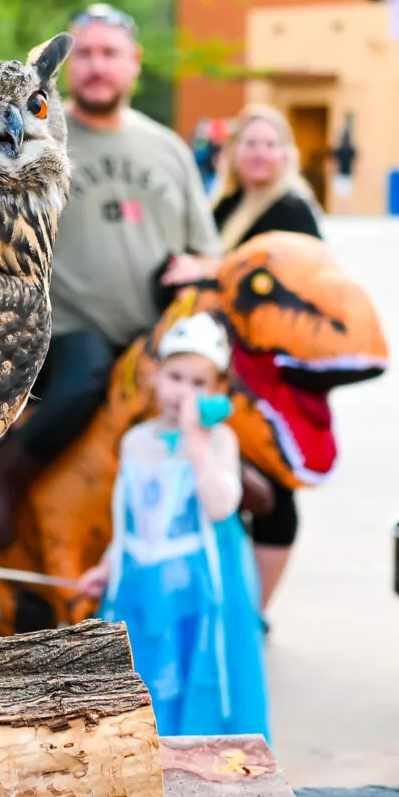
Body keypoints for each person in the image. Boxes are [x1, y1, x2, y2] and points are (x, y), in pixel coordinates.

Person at [0, 4, 220, 550]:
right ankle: (1, 479)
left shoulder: (168, 147)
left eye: (110, 54)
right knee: (86, 377)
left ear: (135, 63)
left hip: (154, 336)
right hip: (62, 333)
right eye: (86, 55)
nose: (97, 66)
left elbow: (205, 250)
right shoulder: (29, 139)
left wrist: (198, 268)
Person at [76, 313, 268, 739]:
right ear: (155, 376)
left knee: (194, 676)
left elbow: (221, 506)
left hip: (196, 591)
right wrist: (107, 568)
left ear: (217, 392)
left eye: (199, 384)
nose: (184, 392)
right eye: (176, 377)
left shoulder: (219, 440)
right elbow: (131, 522)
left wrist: (196, 440)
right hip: (143, 586)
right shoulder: (135, 441)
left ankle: (197, 751)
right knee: (149, 673)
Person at [163, 104, 320, 611]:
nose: (260, 153)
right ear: (232, 152)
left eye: (270, 144)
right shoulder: (224, 203)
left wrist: (208, 268)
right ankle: (223, 601)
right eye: (250, 143)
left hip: (268, 371)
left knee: (270, 486)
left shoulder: (292, 209)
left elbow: (286, 283)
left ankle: (255, 612)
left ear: (286, 154)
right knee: (220, 471)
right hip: (218, 364)